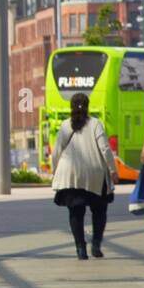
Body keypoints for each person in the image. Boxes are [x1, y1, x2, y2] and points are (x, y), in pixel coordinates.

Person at [51, 92, 119, 260]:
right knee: (99, 210)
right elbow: (105, 149)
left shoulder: (66, 125)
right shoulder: (96, 124)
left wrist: (55, 171)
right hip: (95, 174)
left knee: (76, 212)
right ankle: (96, 244)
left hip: (71, 175)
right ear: (87, 106)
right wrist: (112, 170)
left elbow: (56, 151)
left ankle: (81, 248)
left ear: (71, 107)